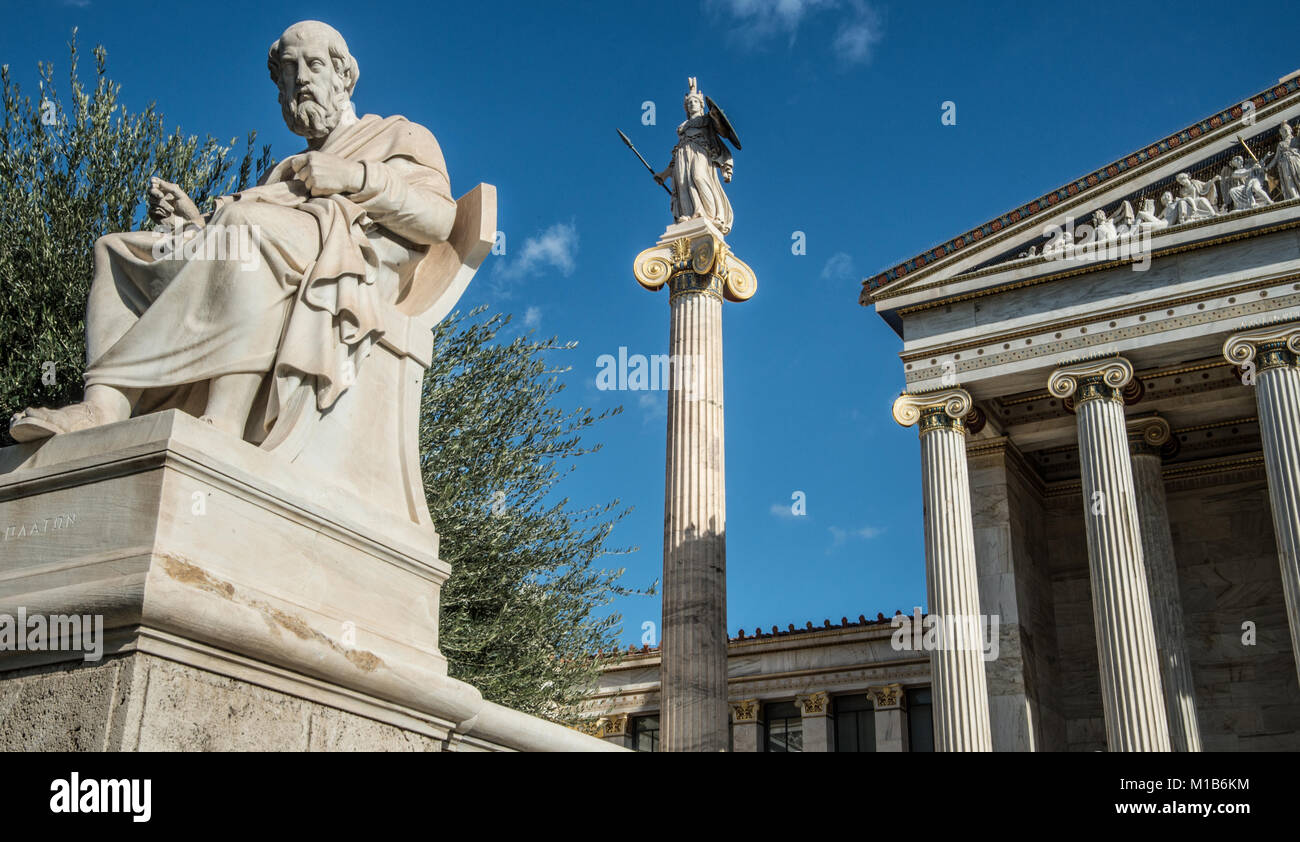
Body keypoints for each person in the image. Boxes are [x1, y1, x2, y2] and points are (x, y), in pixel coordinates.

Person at [10, 20, 455, 443]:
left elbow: (438, 219)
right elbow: (228, 265)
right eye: (288, 71)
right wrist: (193, 226)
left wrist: (354, 178)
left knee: (246, 229)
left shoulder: (399, 135)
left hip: (348, 260)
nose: (300, 79)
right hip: (278, 244)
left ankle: (224, 418)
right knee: (119, 250)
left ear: (344, 77)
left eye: (314, 65)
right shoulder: (280, 173)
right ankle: (103, 406)